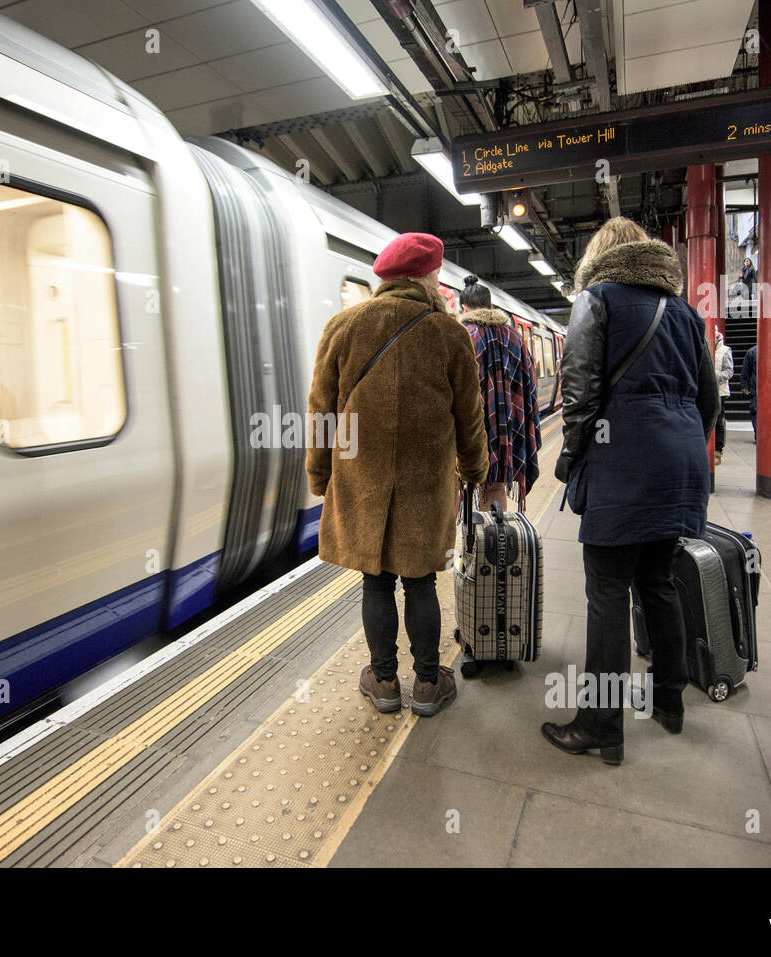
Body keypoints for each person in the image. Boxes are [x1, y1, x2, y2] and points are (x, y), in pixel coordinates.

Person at [545, 217, 719, 766]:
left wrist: (573, 454)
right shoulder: (686, 313)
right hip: (681, 465)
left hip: (621, 464)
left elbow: (578, 392)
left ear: (598, 255)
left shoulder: (597, 300)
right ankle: (670, 701)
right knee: (660, 582)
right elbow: (709, 400)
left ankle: (602, 726)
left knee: (607, 594)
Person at [307, 232, 488, 718]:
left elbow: (322, 413)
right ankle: (428, 682)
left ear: (383, 279)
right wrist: (474, 469)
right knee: (422, 581)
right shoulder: (449, 333)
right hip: (425, 486)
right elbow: (468, 416)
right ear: (428, 276)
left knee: (376, 581)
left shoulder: (342, 327)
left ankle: (383, 681)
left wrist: (320, 476)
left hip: (360, 480)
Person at [457, 275, 541, 514]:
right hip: (505, 429)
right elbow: (528, 386)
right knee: (496, 488)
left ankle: (469, 547)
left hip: (471, 430)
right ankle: (495, 546)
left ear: (464, 307)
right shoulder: (515, 337)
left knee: (460, 488)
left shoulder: (463, 336)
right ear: (490, 305)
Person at [714, 331, 733, 464]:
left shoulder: (725, 350)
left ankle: (718, 450)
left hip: (720, 390)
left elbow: (729, 371)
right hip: (706, 389)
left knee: (719, 420)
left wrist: (715, 377)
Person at [742, 342, 758, 440]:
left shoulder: (752, 351)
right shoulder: (752, 352)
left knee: (755, 411)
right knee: (755, 411)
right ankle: (758, 434)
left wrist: (745, 386)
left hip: (755, 387)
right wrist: (745, 386)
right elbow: (746, 371)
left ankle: (758, 434)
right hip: (755, 387)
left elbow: (745, 371)